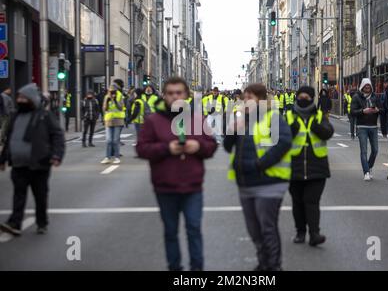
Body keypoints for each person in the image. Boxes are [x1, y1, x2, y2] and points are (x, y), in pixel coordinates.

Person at [136, 77, 217, 271]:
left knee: (194, 229)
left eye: (179, 92)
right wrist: (166, 148)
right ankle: (175, 268)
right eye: (170, 93)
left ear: (186, 95)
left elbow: (211, 146)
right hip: (165, 186)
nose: (175, 97)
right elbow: (142, 149)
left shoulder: (197, 119)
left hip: (192, 186)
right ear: (164, 96)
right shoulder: (153, 121)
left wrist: (198, 146)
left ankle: (197, 270)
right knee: (171, 232)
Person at [224, 84, 292, 271]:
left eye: (250, 97)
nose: (246, 101)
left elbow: (285, 142)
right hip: (245, 183)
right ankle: (263, 263)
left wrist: (260, 164)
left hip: (269, 181)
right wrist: (231, 130)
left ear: (261, 100)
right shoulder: (241, 120)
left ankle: (274, 266)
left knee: (266, 227)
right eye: (244, 97)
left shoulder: (273, 117)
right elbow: (228, 147)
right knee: (254, 230)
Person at [0, 83, 65, 236]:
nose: (21, 100)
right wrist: (3, 159)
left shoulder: (45, 116)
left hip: (39, 163)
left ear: (32, 99)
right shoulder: (15, 116)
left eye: (24, 98)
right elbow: (10, 138)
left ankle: (42, 222)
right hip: (19, 164)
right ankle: (15, 223)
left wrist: (56, 155)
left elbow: (57, 136)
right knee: (19, 195)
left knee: (40, 195)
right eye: (19, 97)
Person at [286, 86, 334, 246]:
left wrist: (316, 126)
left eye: (307, 97)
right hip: (294, 167)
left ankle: (315, 234)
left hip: (317, 168)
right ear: (297, 97)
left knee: (311, 200)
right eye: (301, 96)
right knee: (297, 202)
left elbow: (328, 133)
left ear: (312, 98)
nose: (304, 99)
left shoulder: (319, 116)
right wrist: (290, 131)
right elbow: (278, 138)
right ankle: (300, 232)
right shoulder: (288, 116)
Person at [351, 78, 383, 181]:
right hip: (362, 127)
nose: (367, 88)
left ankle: (368, 167)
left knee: (375, 150)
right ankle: (366, 172)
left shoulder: (375, 97)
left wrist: (377, 110)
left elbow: (382, 109)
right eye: (365, 86)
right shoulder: (356, 97)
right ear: (362, 87)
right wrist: (363, 111)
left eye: (369, 86)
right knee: (363, 151)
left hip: (373, 127)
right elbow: (352, 111)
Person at [101, 84, 125, 164]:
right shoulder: (106, 97)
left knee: (115, 140)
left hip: (118, 120)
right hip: (109, 120)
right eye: (110, 91)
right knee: (108, 140)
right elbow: (104, 109)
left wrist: (115, 101)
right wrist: (107, 103)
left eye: (113, 91)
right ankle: (107, 157)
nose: (111, 92)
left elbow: (121, 107)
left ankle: (116, 157)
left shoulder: (120, 96)